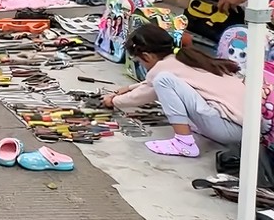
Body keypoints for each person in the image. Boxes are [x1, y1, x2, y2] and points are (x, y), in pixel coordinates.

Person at [104, 23, 246, 157]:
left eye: (139, 61)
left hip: (228, 130)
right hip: (244, 132)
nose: (140, 64)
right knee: (163, 80)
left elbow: (143, 94)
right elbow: (149, 84)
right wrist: (128, 88)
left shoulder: (163, 69)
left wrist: (114, 101)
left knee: (163, 80)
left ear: (147, 56)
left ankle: (183, 143)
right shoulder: (183, 58)